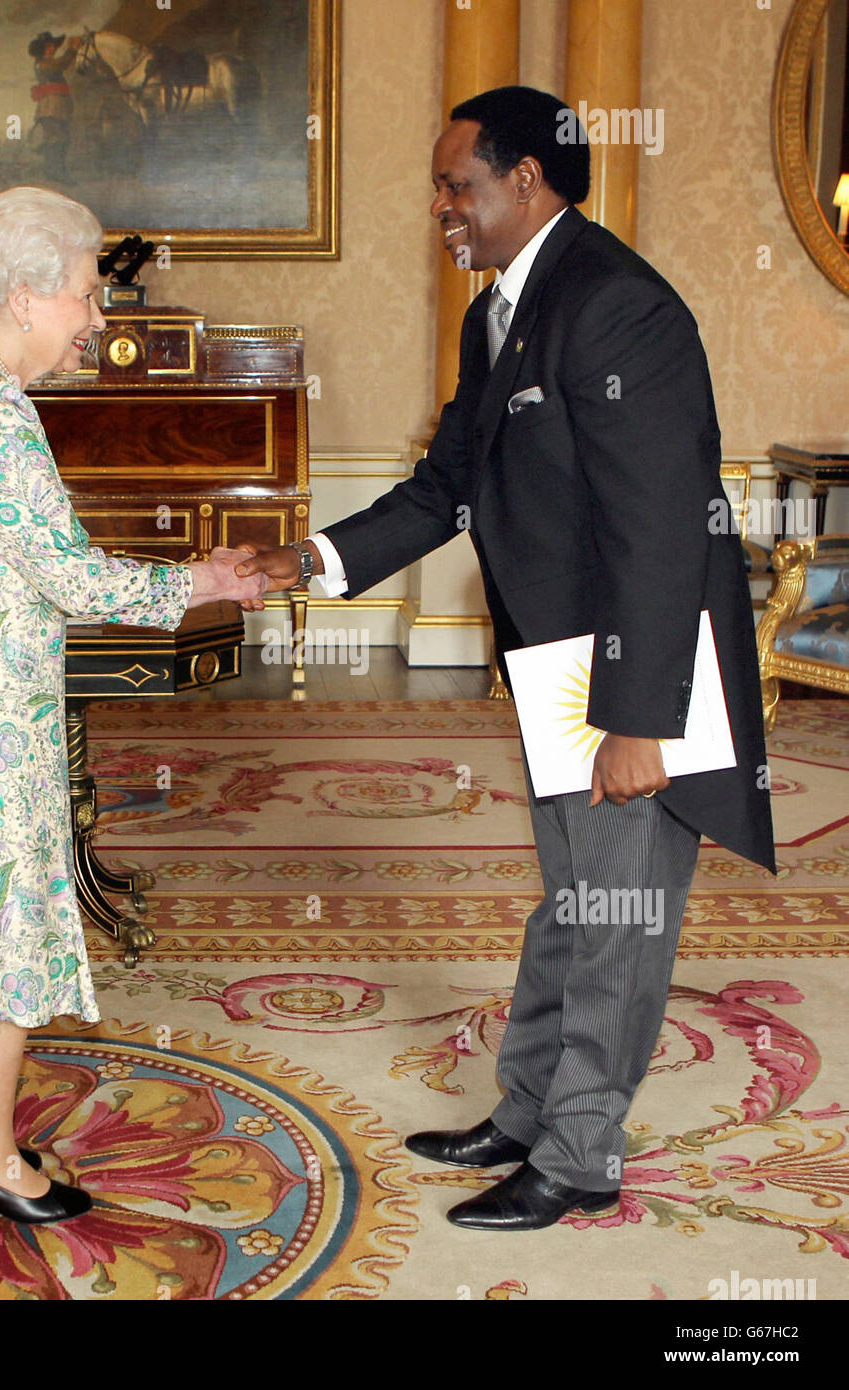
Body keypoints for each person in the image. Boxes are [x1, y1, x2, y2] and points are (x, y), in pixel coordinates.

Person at [237, 86, 776, 1232]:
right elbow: (451, 485)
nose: (440, 206)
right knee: (573, 904)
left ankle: (579, 1156)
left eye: (456, 185)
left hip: (636, 672)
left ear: (525, 180)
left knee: (620, 913)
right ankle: (527, 1112)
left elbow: (663, 526)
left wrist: (641, 718)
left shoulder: (618, 305)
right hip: (559, 666)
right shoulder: (504, 310)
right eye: (440, 187)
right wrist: (314, 558)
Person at [0, 185, 267, 1226]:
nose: (96, 319)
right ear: (31, 292)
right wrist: (202, 582)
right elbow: (74, 577)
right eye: (87, 297)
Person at [28, 31, 80, 181]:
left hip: (57, 105)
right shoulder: (43, 64)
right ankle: (58, 173)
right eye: (48, 46)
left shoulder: (46, 62)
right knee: (56, 138)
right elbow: (62, 64)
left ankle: (54, 172)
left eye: (53, 46)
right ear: (41, 49)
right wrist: (72, 48)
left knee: (59, 137)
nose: (52, 49)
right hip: (51, 106)